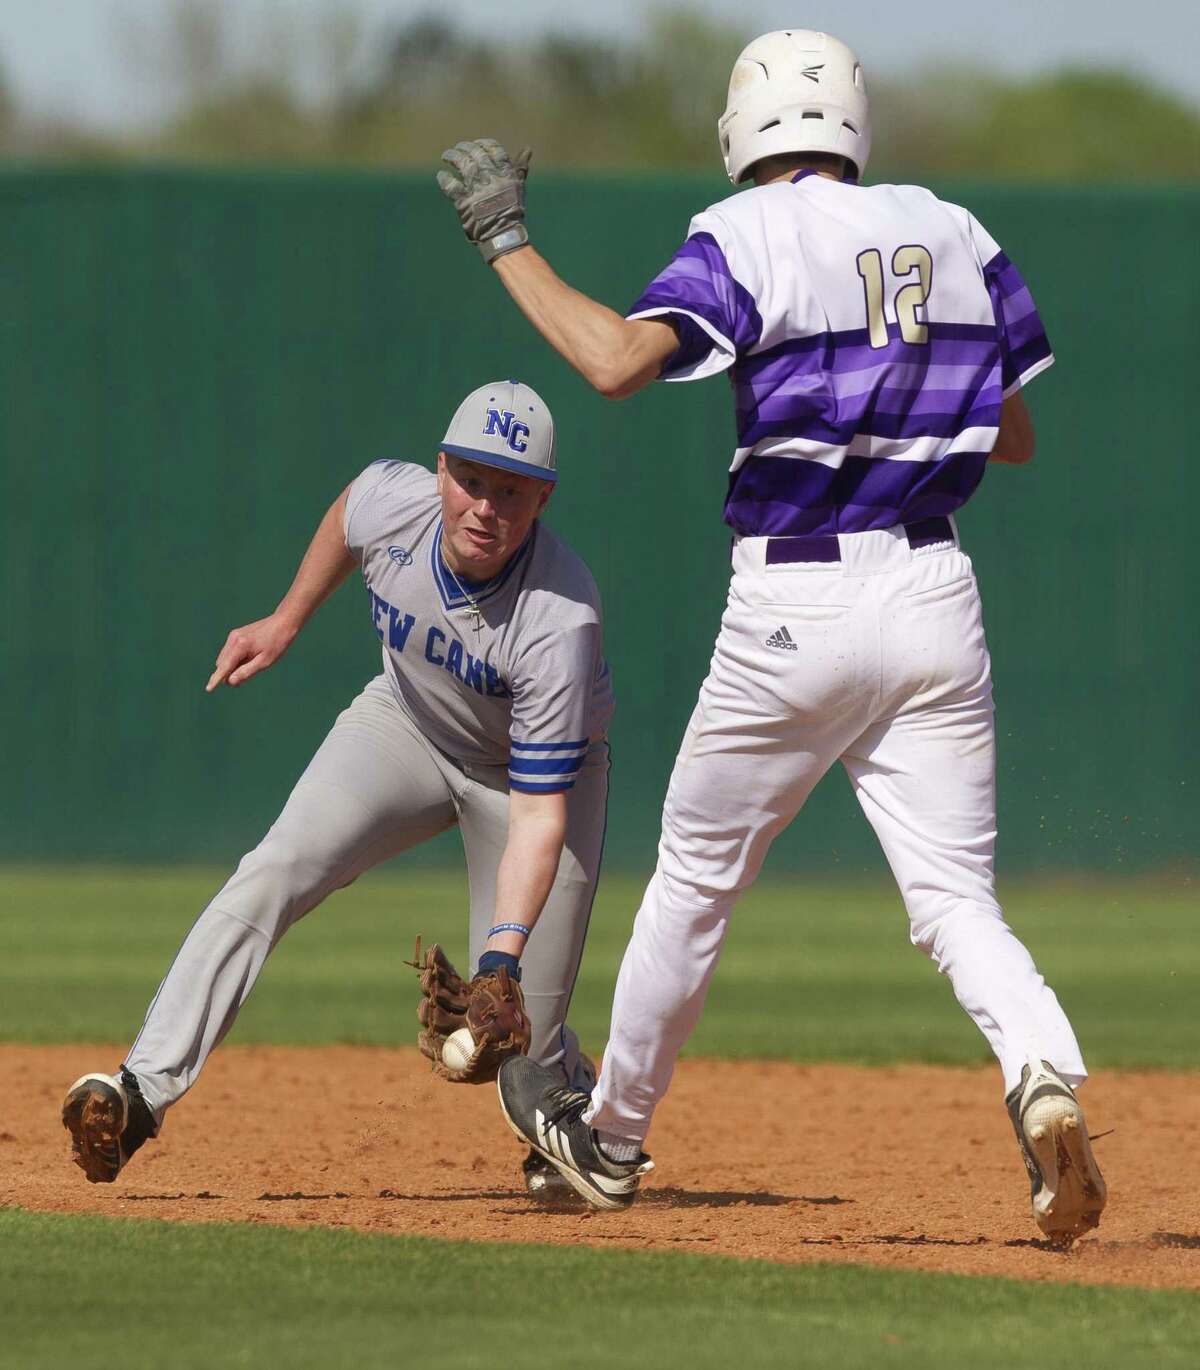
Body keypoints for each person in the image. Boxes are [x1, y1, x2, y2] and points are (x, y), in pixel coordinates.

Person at [437, 31, 1107, 1242]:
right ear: (855, 123)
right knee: (957, 897)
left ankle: (615, 1135)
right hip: (935, 595)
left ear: (745, 130)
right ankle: (1043, 1073)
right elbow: (1011, 433)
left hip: (797, 602)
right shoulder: (954, 227)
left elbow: (613, 363)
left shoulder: (746, 233)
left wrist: (505, 240)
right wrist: (907, 386)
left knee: (695, 876)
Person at [62, 379, 612, 1202]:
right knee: (276, 867)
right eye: (470, 477)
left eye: (510, 489)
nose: (484, 504)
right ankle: (139, 1094)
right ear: (440, 470)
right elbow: (349, 511)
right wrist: (287, 617)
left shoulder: (558, 622)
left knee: (514, 1030)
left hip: (528, 781)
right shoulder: (396, 501)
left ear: (542, 499)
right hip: (406, 722)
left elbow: (538, 813)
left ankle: (570, 1102)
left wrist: (498, 957)